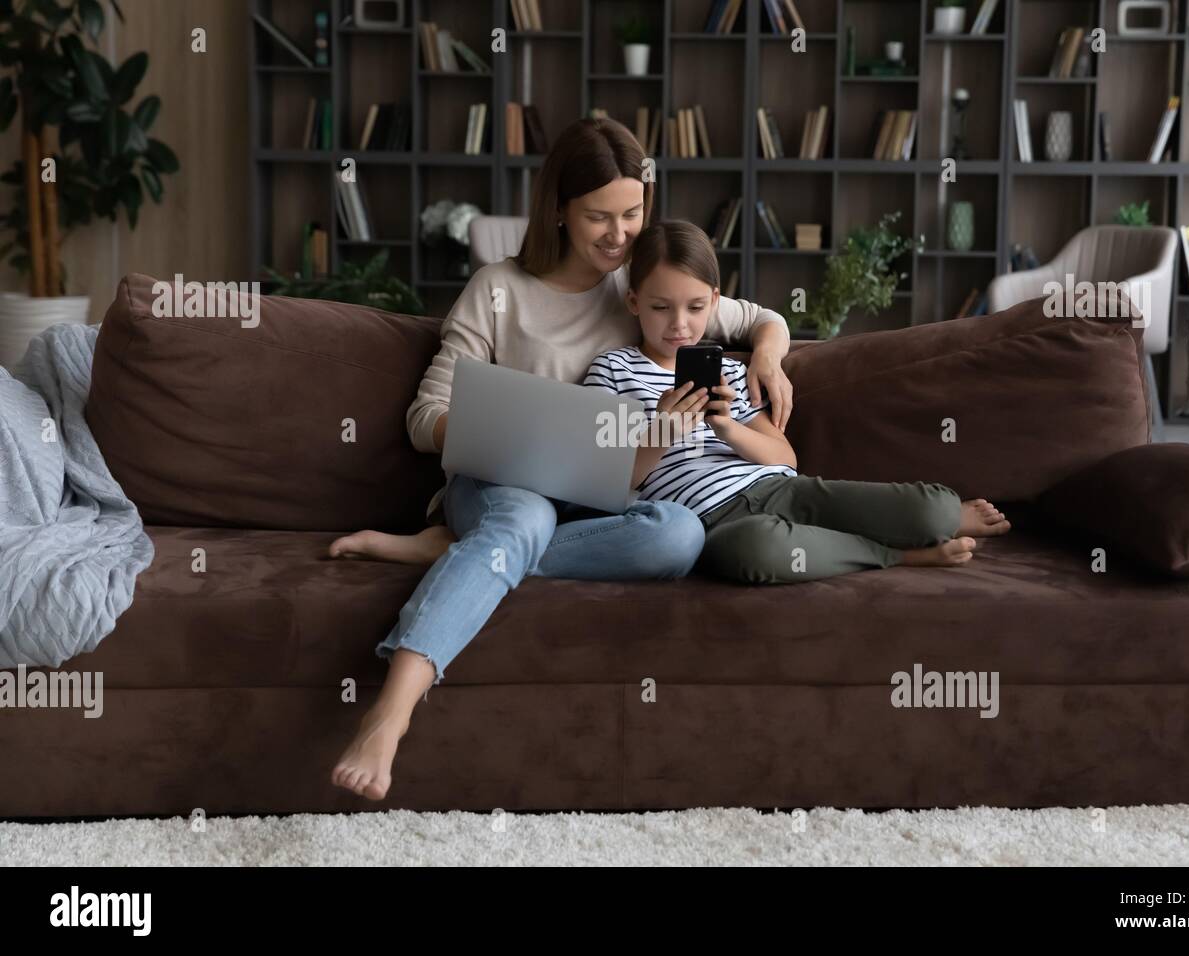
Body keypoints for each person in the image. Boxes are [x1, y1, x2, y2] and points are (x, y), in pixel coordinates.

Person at [328, 119, 794, 800]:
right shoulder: (499, 289)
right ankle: (389, 716)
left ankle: (458, 553)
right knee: (518, 521)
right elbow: (424, 418)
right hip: (504, 484)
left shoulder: (644, 289)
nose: (619, 234)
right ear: (558, 211)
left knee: (679, 534)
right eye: (598, 217)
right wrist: (517, 430)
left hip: (603, 495)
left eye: (633, 213)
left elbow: (759, 317)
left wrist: (771, 356)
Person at [583, 219, 1012, 586]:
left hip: (778, 489)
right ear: (635, 302)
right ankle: (896, 555)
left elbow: (784, 457)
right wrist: (661, 434)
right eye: (661, 307)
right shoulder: (613, 369)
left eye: (695, 307)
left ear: (714, 301)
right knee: (757, 550)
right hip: (708, 522)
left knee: (936, 510)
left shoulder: (728, 370)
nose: (680, 324)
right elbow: (596, 483)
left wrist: (728, 427)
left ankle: (923, 528)